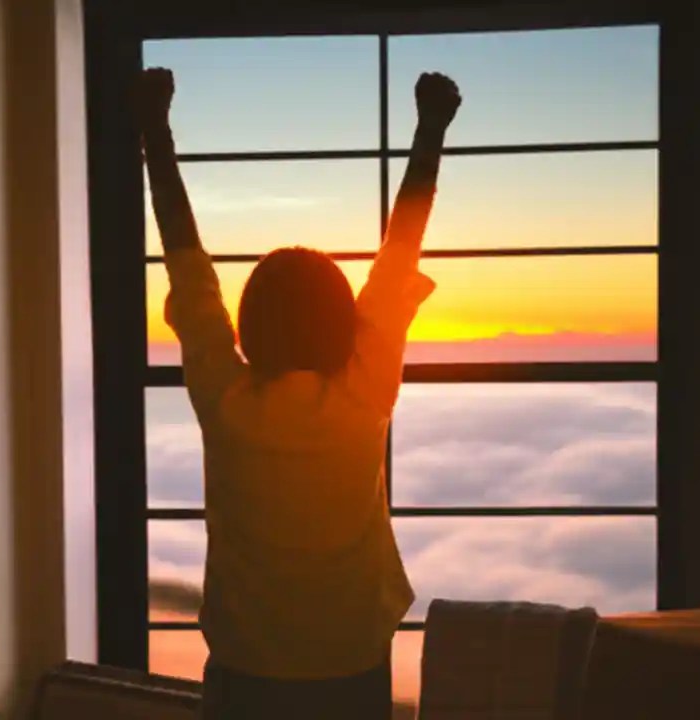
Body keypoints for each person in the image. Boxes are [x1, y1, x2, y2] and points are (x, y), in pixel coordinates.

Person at [138, 66, 461, 719]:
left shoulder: (227, 403)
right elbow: (400, 253)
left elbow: (185, 260)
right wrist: (430, 132)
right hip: (351, 659)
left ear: (249, 326)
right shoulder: (364, 394)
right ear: (343, 327)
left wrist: (155, 135)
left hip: (246, 665)